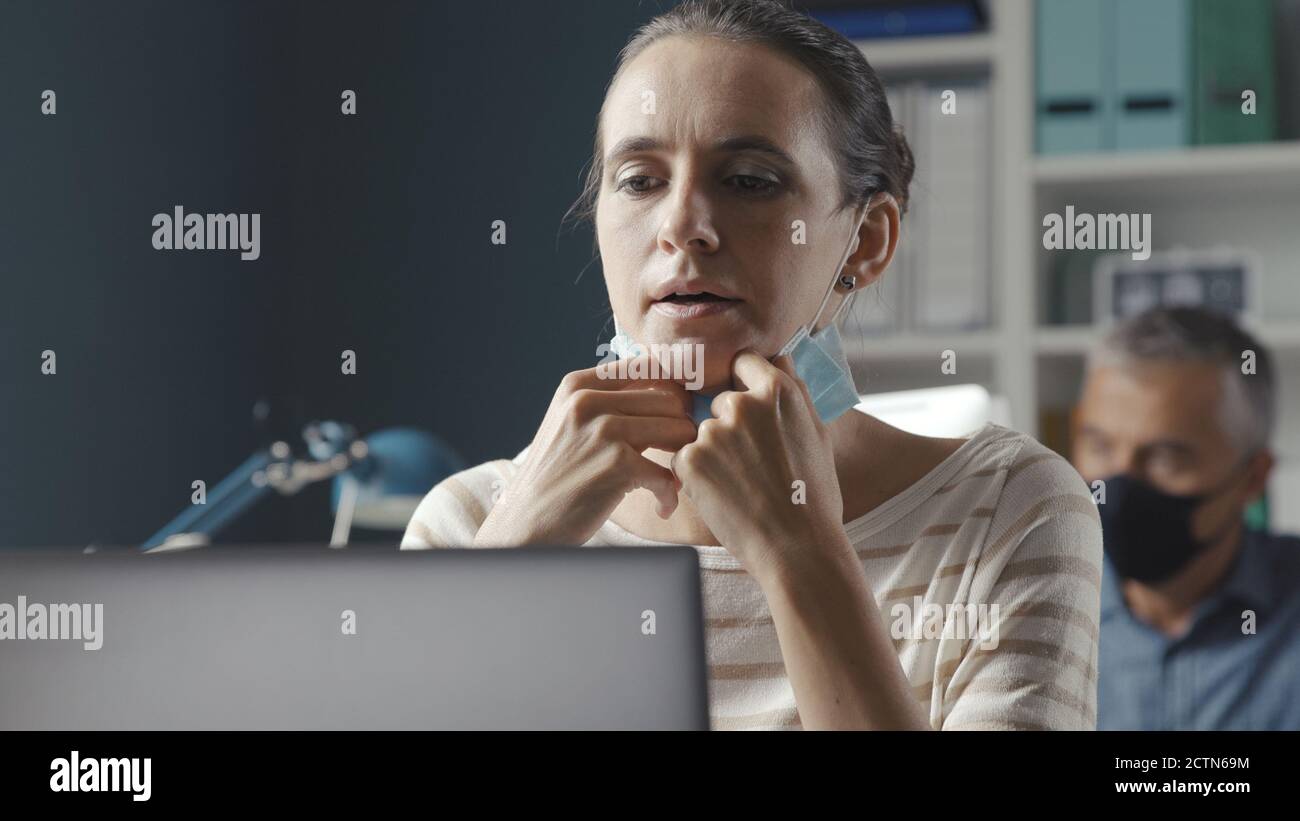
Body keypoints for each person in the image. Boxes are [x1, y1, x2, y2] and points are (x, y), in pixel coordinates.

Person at [403, 0, 1101, 730]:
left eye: (749, 180)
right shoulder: (468, 523)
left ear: (865, 243)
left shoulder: (1007, 512)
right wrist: (502, 568)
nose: (681, 226)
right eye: (640, 179)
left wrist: (800, 551)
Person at [1072, 307, 1300, 729]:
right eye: (1100, 447)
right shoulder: (1023, 614)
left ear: (1253, 478)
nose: (1119, 485)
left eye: (1165, 458)